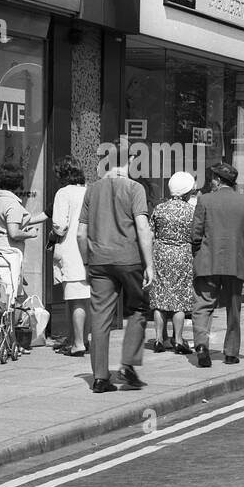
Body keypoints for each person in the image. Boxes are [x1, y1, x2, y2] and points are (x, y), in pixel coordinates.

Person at [76, 164, 155, 393]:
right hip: (129, 259)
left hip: (99, 260)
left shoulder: (92, 190)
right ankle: (128, 363)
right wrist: (149, 264)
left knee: (100, 318)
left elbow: (81, 233)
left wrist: (86, 263)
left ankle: (100, 378)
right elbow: (143, 228)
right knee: (139, 308)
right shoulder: (135, 188)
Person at [190, 162, 244, 367]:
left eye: (213, 178)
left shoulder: (204, 200)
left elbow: (195, 234)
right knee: (233, 309)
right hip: (235, 263)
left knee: (203, 306)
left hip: (207, 262)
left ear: (219, 180)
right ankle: (230, 353)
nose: (211, 182)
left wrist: (198, 255)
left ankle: (202, 345)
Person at [149, 171, 198, 354]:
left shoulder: (159, 209)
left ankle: (159, 340)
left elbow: (151, 233)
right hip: (183, 255)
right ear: (186, 192)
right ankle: (178, 340)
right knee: (179, 299)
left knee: (160, 298)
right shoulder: (190, 211)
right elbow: (196, 235)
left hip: (161, 254)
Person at [50, 156, 90, 357]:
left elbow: (59, 224)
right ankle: (83, 338)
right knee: (86, 299)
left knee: (75, 299)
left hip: (71, 250)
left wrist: (52, 236)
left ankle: (78, 343)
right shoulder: (89, 191)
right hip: (90, 251)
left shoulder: (63, 193)